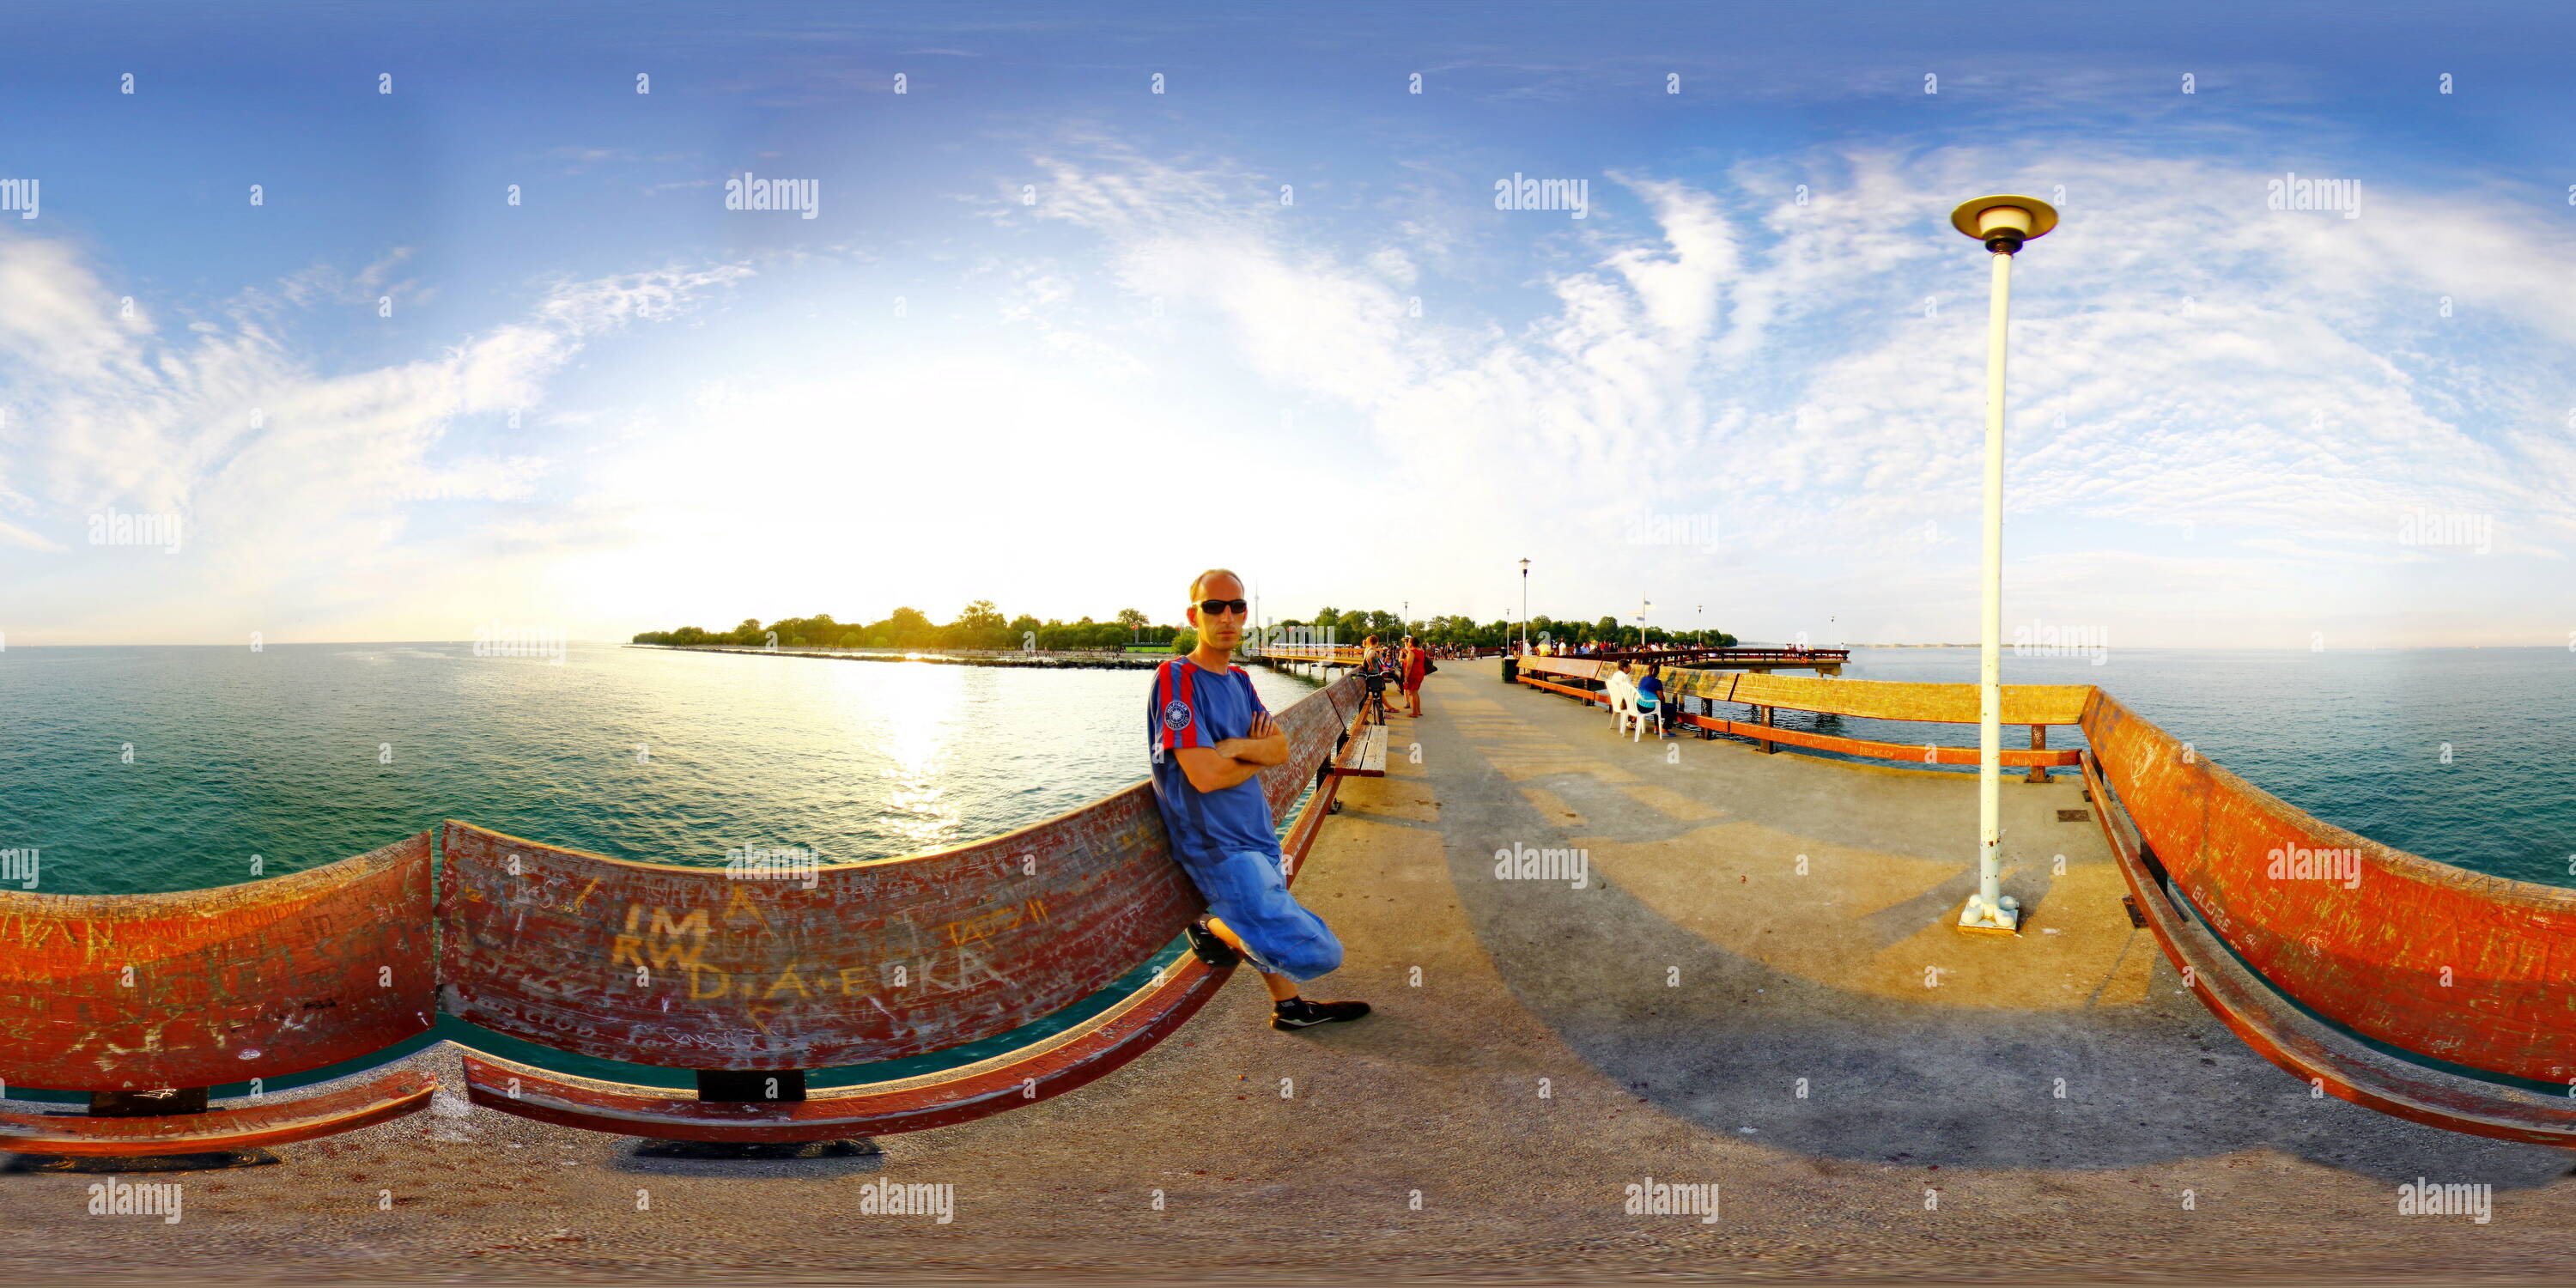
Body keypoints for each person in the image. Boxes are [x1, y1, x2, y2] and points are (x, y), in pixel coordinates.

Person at [1149, 569, 1370, 1031]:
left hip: (1257, 834)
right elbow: (1206, 778)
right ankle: (1211, 927)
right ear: (1194, 615)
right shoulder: (1175, 679)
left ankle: (1289, 1008)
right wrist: (1249, 753)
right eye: (1214, 607)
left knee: (1272, 923)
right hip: (1220, 849)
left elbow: (1280, 749)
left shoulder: (1241, 681)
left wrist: (1233, 748)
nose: (1227, 616)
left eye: (1237, 606)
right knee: (1322, 951)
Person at [1636, 663, 1670, 737]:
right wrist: (1663, 703)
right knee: (1671, 708)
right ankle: (1664, 729)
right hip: (1648, 708)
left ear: (1649, 670)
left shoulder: (1643, 679)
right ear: (1657, 673)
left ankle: (1657, 728)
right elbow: (1661, 698)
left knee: (1656, 703)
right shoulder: (1657, 682)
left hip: (1639, 706)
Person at [1399, 635, 1427, 717]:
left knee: (1412, 693)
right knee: (1416, 692)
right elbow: (1415, 658)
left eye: (1409, 641)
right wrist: (1407, 652)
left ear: (1411, 643)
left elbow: (1409, 666)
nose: (1407, 643)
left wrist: (1406, 677)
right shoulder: (1421, 651)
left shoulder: (1412, 652)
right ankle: (1418, 711)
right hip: (1420, 673)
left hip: (1413, 674)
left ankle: (1414, 713)